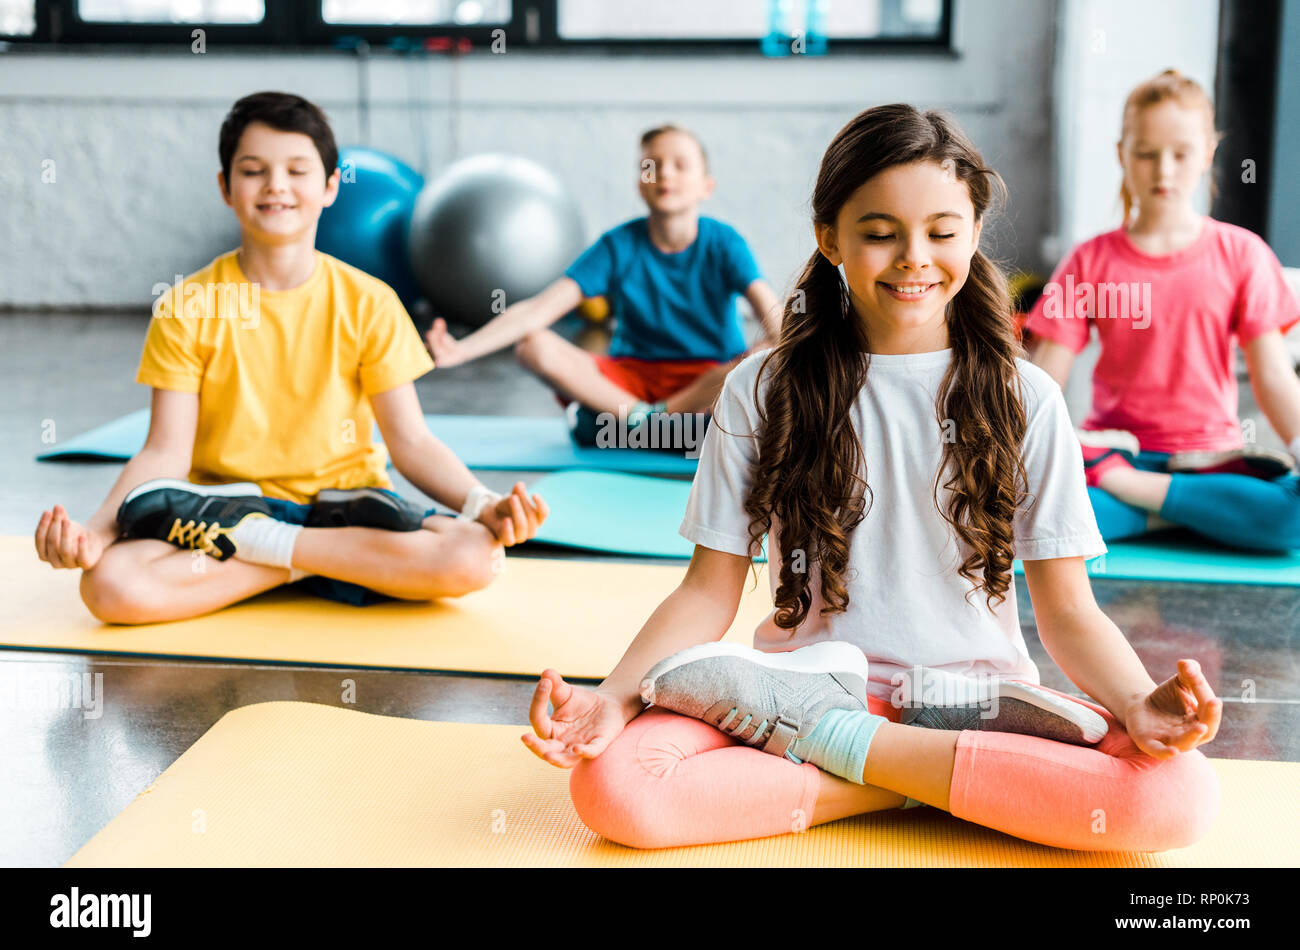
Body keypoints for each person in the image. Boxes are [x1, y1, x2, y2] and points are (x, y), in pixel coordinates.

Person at [522, 104, 1221, 852]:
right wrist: (612, 697)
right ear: (830, 239)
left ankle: (841, 746)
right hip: (805, 680)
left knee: (1175, 796)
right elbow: (708, 586)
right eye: (881, 233)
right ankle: (943, 779)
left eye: (942, 233)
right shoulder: (760, 386)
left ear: (975, 233)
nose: (914, 257)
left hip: (977, 700)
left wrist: (1136, 701)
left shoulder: (1028, 397)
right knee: (614, 785)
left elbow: (1069, 612)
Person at [34, 91, 548, 624]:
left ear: (330, 187)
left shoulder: (370, 301)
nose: (276, 185)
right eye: (254, 170)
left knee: (477, 555)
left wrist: (480, 503)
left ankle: (270, 550)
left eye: (296, 170)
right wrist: (96, 531)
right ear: (225, 188)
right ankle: (332, 564)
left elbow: (412, 443)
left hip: (348, 510)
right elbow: (165, 451)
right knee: (109, 587)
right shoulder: (187, 305)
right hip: (225, 511)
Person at [1026, 69, 1300, 550]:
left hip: (1213, 463)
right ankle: (1199, 517)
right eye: (1146, 154)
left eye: (1180, 154)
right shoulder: (1089, 259)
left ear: (1209, 153)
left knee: (1291, 518)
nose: (1164, 171)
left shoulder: (1244, 254)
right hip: (1119, 449)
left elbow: (1275, 377)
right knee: (1024, 516)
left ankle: (1140, 498)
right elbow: (1043, 381)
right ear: (1121, 155)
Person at [424, 124, 783, 446]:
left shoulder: (725, 243)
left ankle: (637, 428)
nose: (664, 174)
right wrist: (464, 349)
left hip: (708, 380)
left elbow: (771, 313)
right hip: (632, 384)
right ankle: (663, 429)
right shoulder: (619, 244)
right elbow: (538, 310)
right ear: (638, 181)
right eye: (651, 165)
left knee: (764, 355)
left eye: (680, 165)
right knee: (532, 346)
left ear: (707, 186)